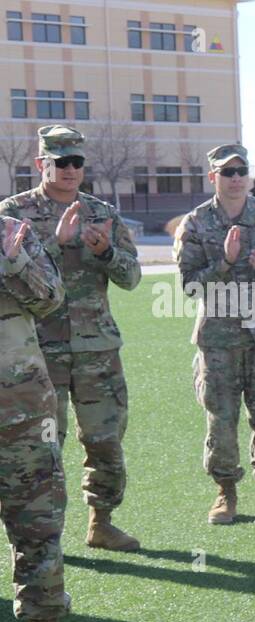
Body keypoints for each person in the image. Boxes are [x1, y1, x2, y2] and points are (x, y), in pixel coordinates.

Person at [0, 125, 142, 551]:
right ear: (41, 164)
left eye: (77, 162)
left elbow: (132, 277)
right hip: (38, 354)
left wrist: (106, 253)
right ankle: (45, 536)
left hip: (97, 349)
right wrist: (55, 244)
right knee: (43, 445)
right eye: (60, 162)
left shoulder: (102, 213)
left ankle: (102, 521)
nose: (70, 170)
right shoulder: (14, 214)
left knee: (106, 439)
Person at [173, 143, 255, 524]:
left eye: (241, 170)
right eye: (227, 172)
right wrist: (224, 263)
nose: (236, 178)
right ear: (213, 177)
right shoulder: (194, 223)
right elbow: (190, 287)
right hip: (218, 339)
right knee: (221, 420)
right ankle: (225, 492)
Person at [0, 212, 84, 622]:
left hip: (24, 412)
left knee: (38, 525)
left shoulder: (14, 233)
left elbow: (51, 298)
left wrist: (13, 263)